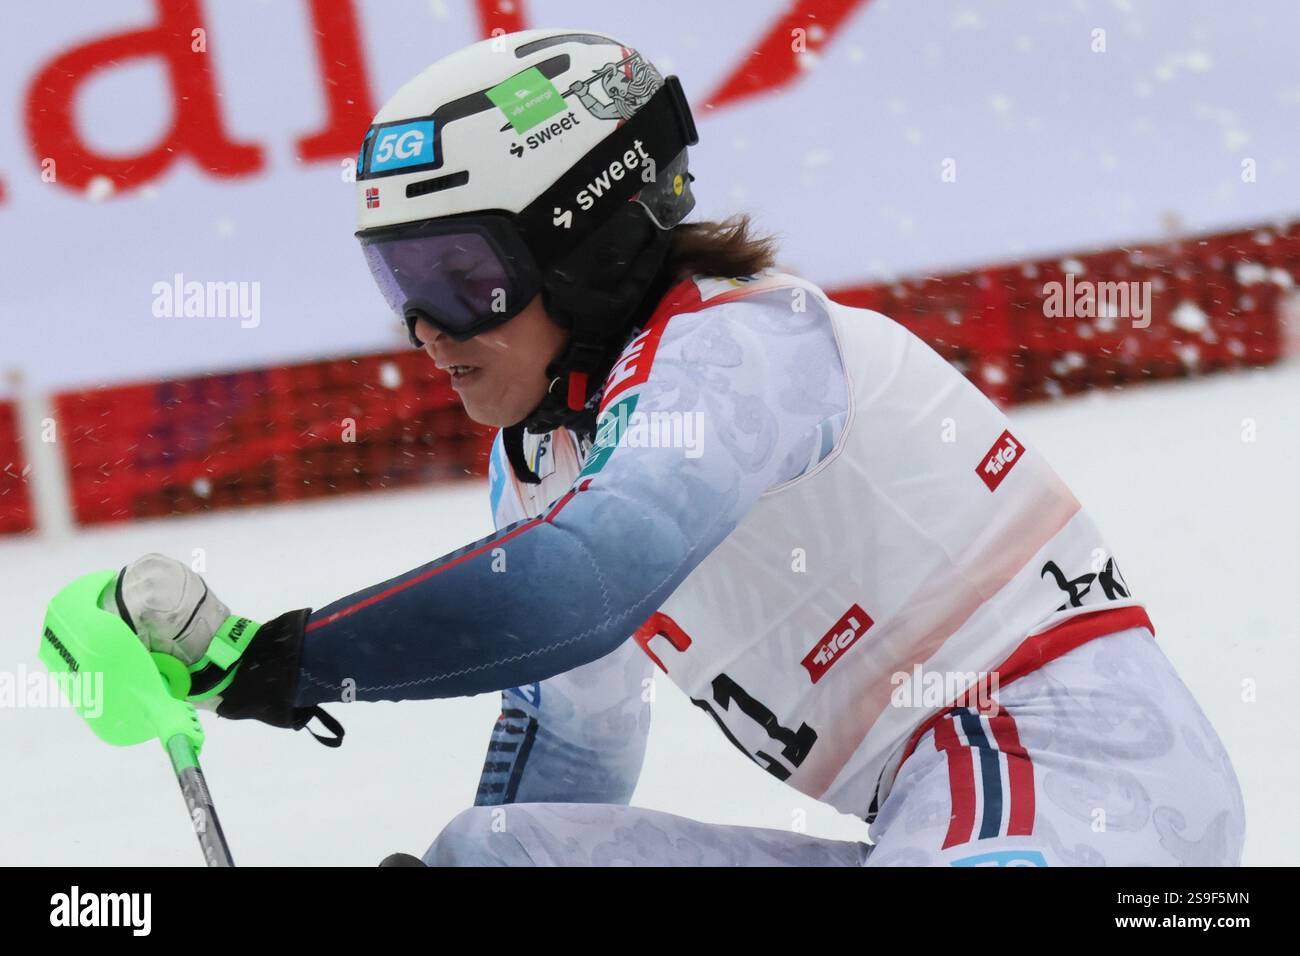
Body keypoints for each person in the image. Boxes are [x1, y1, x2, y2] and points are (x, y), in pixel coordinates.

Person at [103, 28, 1244, 866]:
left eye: (461, 278)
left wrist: (279, 654)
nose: (425, 331)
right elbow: (576, 729)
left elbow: (585, 580)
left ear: (587, 244)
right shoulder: (545, 456)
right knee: (490, 858)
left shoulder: (741, 347)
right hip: (932, 810)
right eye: (399, 281)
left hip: (1079, 786)